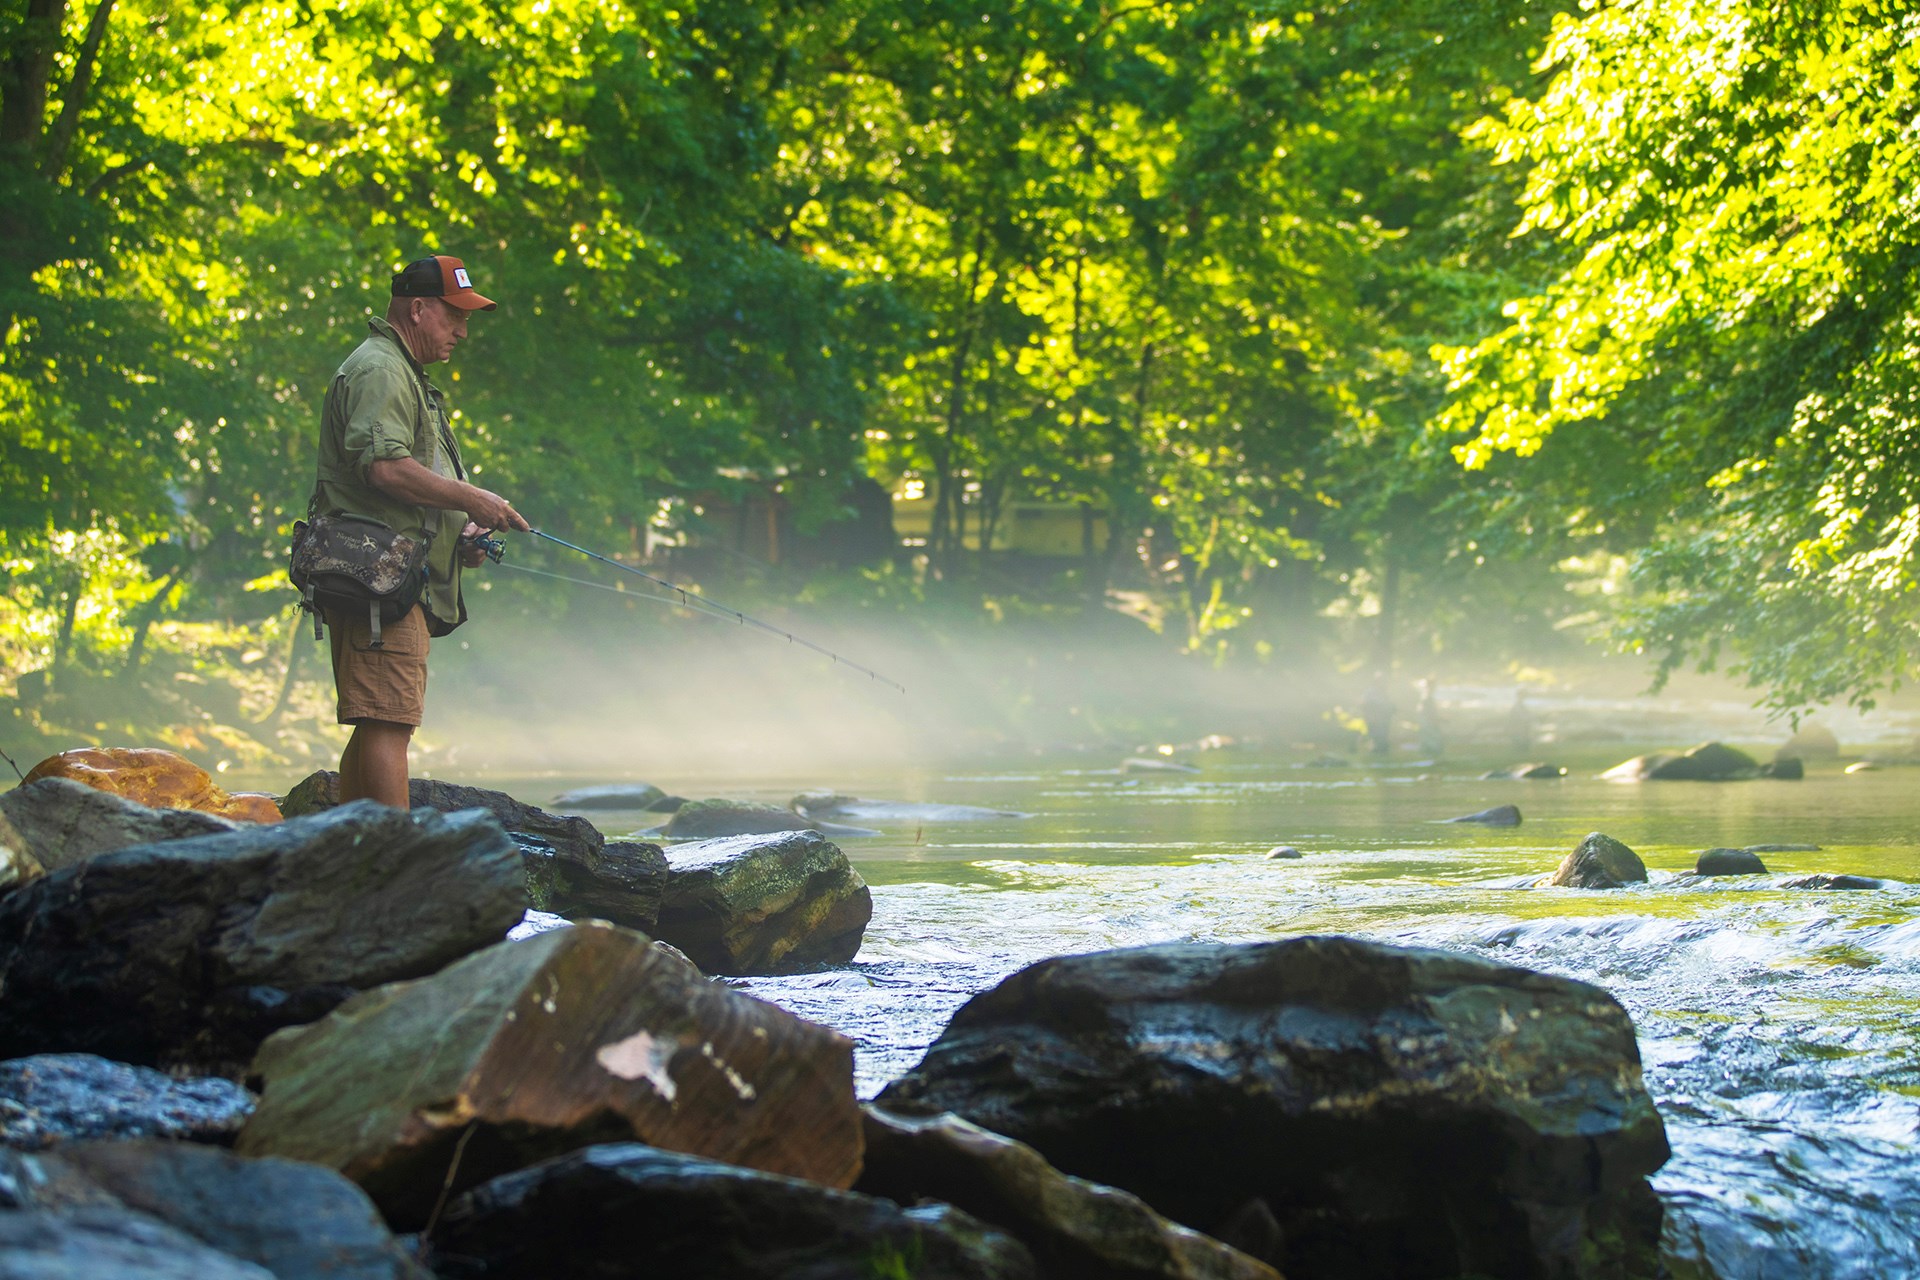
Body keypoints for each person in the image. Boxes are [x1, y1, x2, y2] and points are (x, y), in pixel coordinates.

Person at [306, 254, 531, 807]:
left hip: (390, 578)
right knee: (388, 721)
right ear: (418, 308)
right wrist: (473, 497)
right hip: (377, 580)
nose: (462, 331)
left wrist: (462, 533)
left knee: (380, 720)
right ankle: (395, 861)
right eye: (455, 317)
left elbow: (409, 480)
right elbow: (383, 467)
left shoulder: (401, 371)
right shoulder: (381, 370)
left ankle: (362, 849)